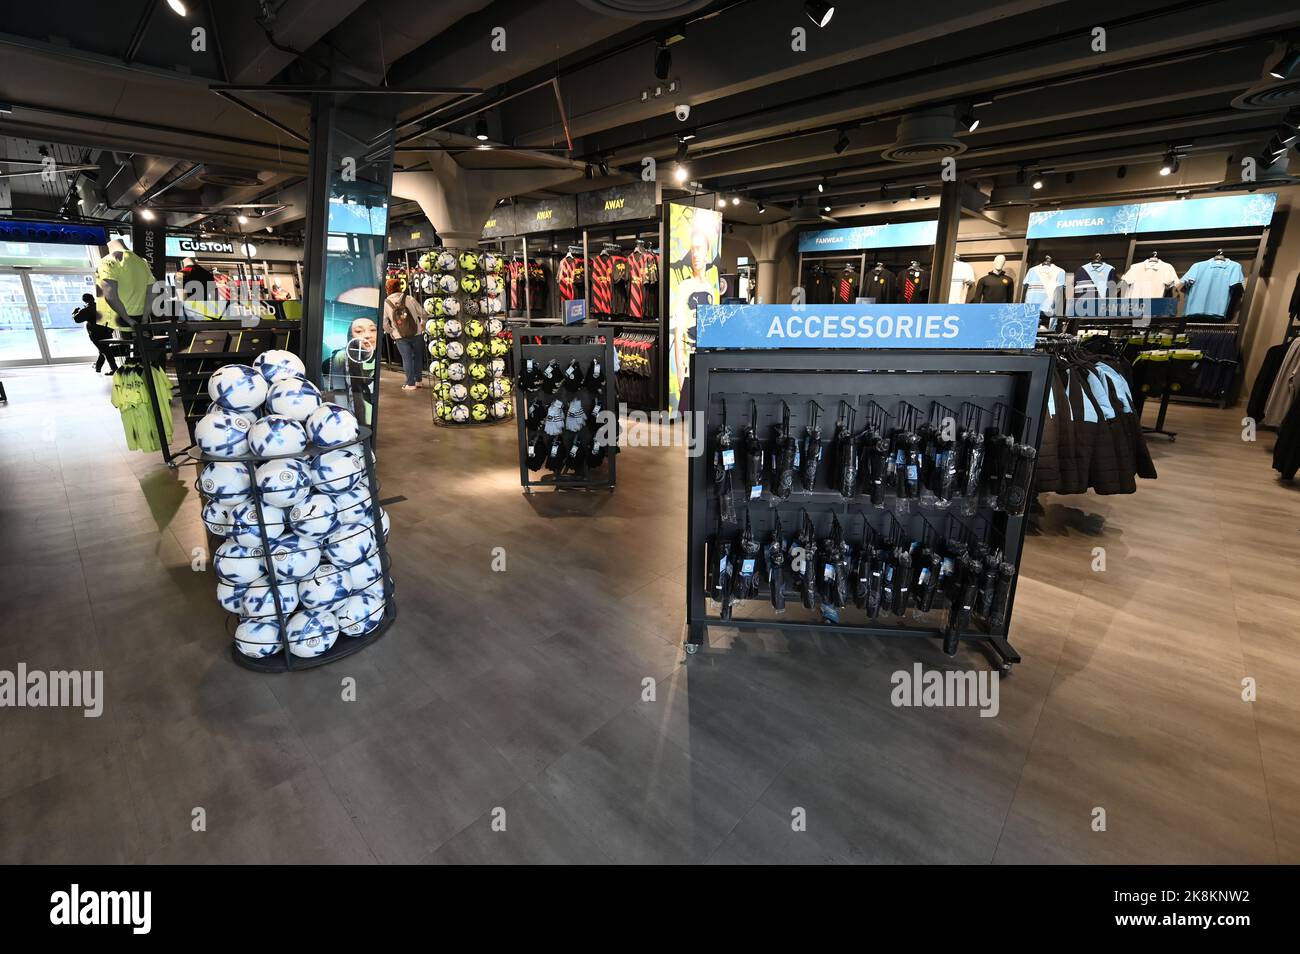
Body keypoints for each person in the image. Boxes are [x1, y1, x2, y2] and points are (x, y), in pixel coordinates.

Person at [381, 277, 429, 392]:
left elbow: (384, 322)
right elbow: (423, 313)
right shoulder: (409, 298)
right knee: (418, 357)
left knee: (406, 359)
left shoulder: (386, 303)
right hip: (416, 332)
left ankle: (410, 384)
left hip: (400, 336)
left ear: (387, 289)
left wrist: (391, 331)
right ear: (399, 287)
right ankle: (419, 381)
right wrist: (422, 324)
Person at [72, 292, 117, 374]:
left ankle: (114, 368)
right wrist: (111, 329)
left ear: (84, 301)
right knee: (103, 350)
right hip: (106, 332)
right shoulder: (102, 307)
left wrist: (74, 312)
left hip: (96, 334)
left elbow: (77, 319)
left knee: (105, 351)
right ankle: (98, 367)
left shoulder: (87, 310)